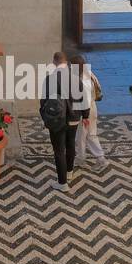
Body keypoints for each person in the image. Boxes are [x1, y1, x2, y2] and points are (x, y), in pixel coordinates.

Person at [41, 52, 86, 190]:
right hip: (73, 118)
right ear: (66, 63)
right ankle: (69, 172)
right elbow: (83, 99)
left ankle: (62, 183)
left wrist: (44, 115)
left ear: (54, 62)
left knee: (59, 150)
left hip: (57, 119)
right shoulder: (75, 78)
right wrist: (85, 116)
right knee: (70, 144)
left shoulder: (49, 79)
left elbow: (44, 101)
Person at [69, 53, 106, 168]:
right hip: (93, 107)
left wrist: (84, 117)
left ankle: (81, 159)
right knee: (91, 134)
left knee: (81, 136)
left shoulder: (81, 81)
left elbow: (83, 100)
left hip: (85, 111)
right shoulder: (90, 74)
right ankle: (100, 158)